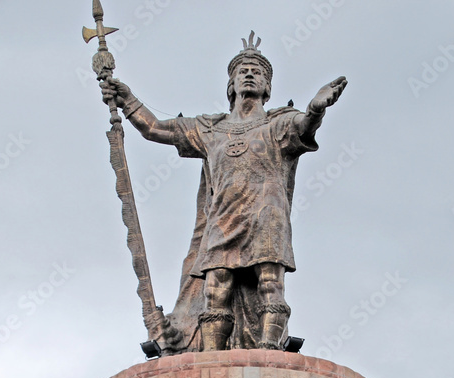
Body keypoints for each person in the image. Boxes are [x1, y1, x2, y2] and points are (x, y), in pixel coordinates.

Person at [101, 32, 346, 351]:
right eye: (242, 70)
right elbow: (155, 128)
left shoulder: (278, 124)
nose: (249, 74)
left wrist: (316, 109)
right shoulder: (210, 128)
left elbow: (304, 127)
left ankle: (269, 351)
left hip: (266, 214)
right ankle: (212, 357)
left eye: (257, 72)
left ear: (267, 88)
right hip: (223, 217)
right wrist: (127, 98)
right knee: (215, 287)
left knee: (270, 283)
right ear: (231, 84)